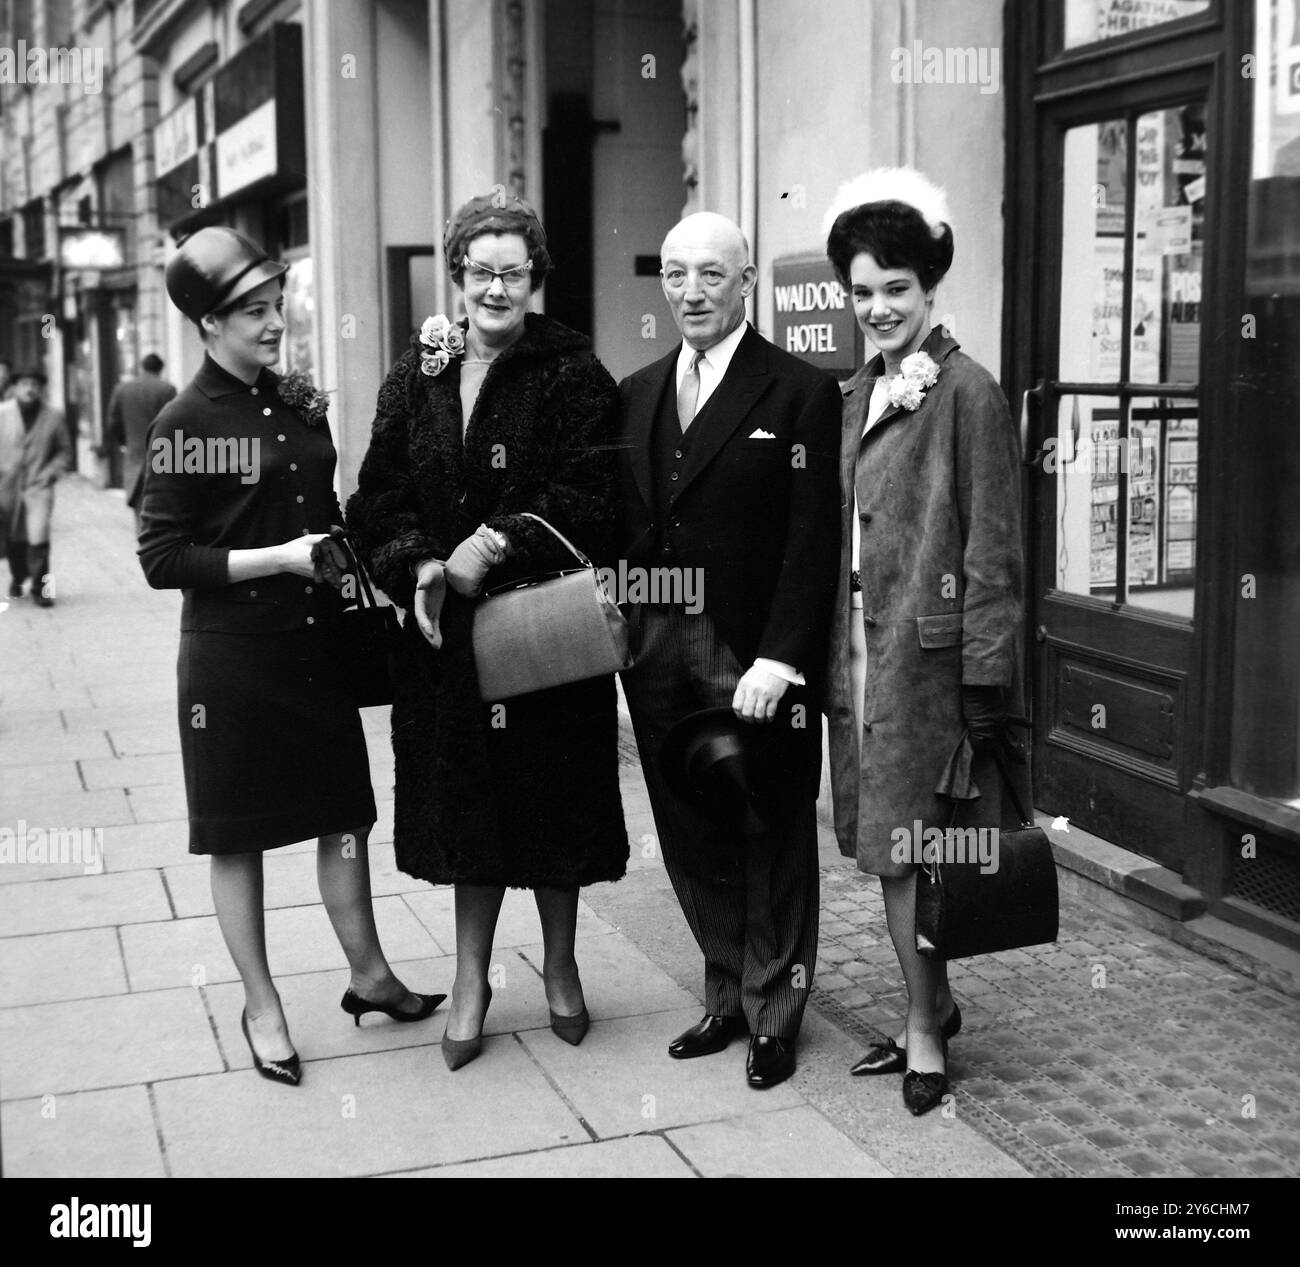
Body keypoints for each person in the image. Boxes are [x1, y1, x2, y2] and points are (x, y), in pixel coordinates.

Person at [138, 226, 442, 1088]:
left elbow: (327, 513)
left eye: (277, 305)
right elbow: (161, 558)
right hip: (231, 662)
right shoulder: (184, 421)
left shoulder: (296, 401)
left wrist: (382, 571)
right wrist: (278, 557)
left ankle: (370, 975)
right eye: (254, 312)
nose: (276, 323)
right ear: (208, 322)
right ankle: (262, 1005)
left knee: (344, 816)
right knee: (237, 838)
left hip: (316, 647)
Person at [346, 191, 628, 1072]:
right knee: (469, 810)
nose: (496, 289)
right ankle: (470, 980)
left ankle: (561, 968)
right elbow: (375, 494)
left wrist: (495, 541)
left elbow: (595, 494)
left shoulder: (573, 371)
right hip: (445, 639)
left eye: (513, 272)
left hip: (541, 632)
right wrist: (420, 565)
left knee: (552, 801)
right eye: (480, 271)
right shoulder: (419, 371)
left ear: (535, 277)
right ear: (457, 274)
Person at [616, 212, 841, 1090]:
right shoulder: (636, 390)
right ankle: (725, 992)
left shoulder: (798, 391)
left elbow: (813, 540)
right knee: (689, 821)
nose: (692, 291)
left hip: (750, 651)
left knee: (770, 821)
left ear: (746, 282)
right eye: (676, 274)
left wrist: (781, 659)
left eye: (712, 273)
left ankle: (776, 1011)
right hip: (656, 645)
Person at [822, 168, 1030, 1116]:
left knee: (910, 850)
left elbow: (994, 554)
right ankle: (931, 1004)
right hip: (860, 660)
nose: (878, 308)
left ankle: (923, 1028)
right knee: (886, 847)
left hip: (930, 669)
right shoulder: (856, 390)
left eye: (896, 288)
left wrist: (985, 683)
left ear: (930, 285)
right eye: (862, 291)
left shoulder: (967, 392)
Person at [0, 367, 71, 607]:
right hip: (7, 486)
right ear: (14, 388)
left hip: (39, 484)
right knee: (13, 536)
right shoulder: (3, 413)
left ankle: (41, 588)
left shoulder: (53, 416)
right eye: (24, 384)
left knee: (38, 535)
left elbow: (64, 451)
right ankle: (18, 576)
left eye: (34, 385)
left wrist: (50, 474)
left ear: (40, 388)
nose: (29, 389)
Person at [104, 353, 176, 528]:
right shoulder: (167, 389)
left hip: (134, 458)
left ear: (142, 367)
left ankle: (143, 540)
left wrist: (124, 442)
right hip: (162, 459)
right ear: (160, 370)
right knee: (163, 512)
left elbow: (113, 423)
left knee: (140, 511)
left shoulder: (122, 389)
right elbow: (175, 423)